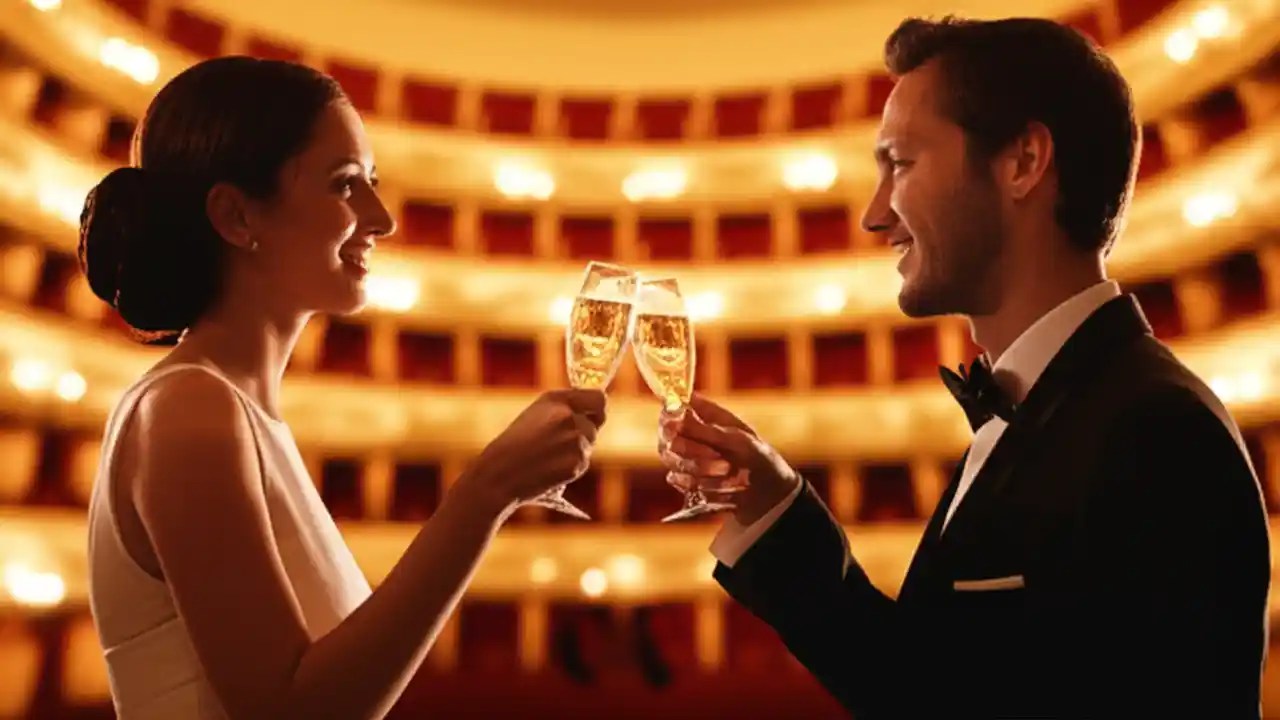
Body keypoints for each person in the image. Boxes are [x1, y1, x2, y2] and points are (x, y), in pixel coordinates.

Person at [661, 17, 1270, 718]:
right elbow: (932, 690)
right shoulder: (1052, 406)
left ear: (1022, 163)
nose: (872, 213)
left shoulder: (1158, 432)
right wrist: (775, 508)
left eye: (902, 163)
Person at [80, 56, 606, 719]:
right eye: (345, 185)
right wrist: (486, 493)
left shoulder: (232, 412)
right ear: (237, 217)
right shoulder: (189, 412)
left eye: (373, 184)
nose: (382, 218)